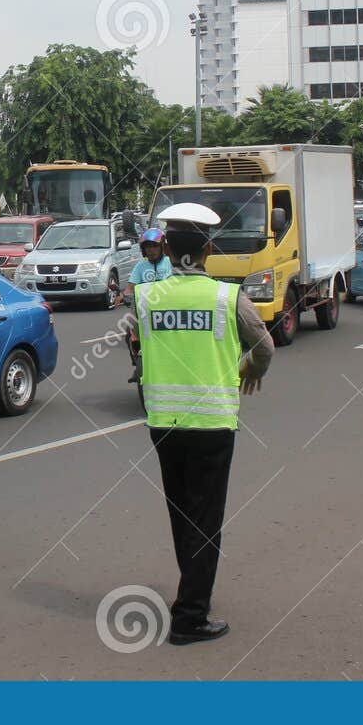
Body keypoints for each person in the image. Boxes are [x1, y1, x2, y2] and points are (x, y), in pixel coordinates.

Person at [134, 202, 274, 646]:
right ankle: (190, 616)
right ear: (209, 249)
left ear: (169, 249)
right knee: (206, 519)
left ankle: (191, 592)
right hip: (212, 424)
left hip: (164, 423)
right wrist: (250, 368)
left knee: (182, 513)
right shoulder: (227, 298)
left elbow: (137, 343)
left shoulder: (145, 297)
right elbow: (265, 346)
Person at [125, 227, 173, 302]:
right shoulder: (140, 266)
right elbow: (129, 289)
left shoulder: (170, 263)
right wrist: (126, 296)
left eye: (155, 246)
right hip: (147, 307)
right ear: (144, 249)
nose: (151, 250)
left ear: (162, 247)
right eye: (148, 246)